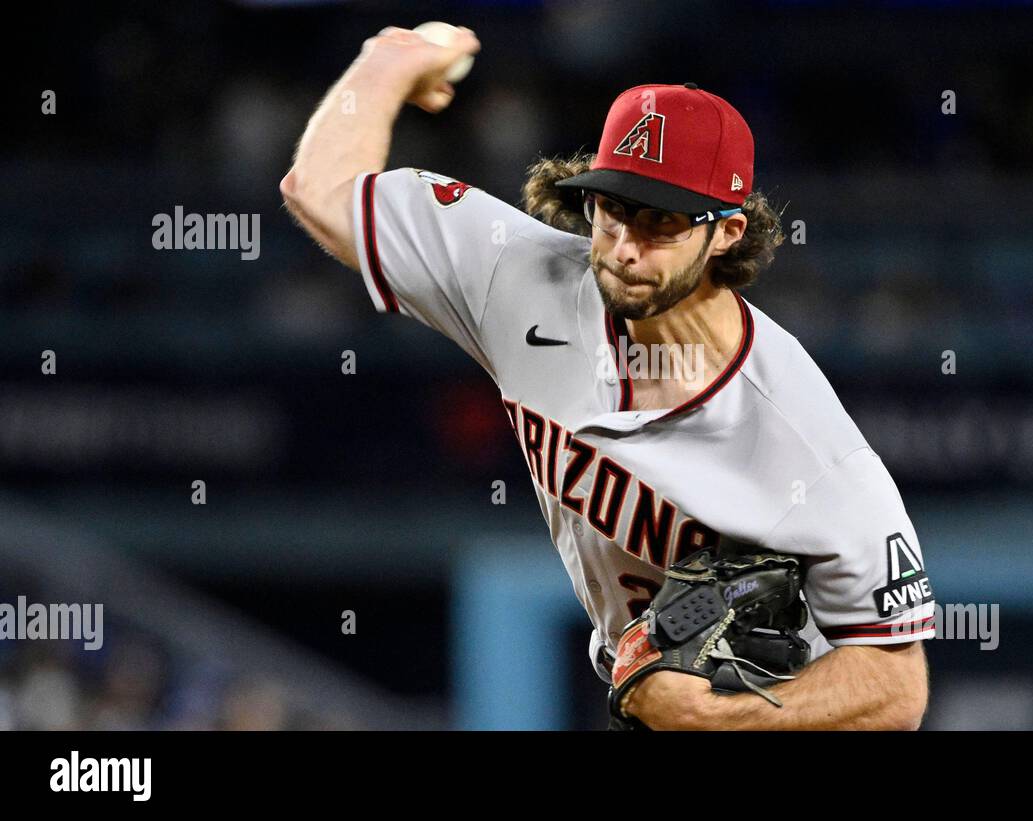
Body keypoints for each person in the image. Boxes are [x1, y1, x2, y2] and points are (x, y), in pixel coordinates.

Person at [280, 25, 934, 730]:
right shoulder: (516, 274)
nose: (624, 249)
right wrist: (386, 66)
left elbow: (898, 685)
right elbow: (320, 189)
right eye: (613, 208)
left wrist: (716, 719)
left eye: (660, 223)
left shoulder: (804, 439)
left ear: (728, 232)